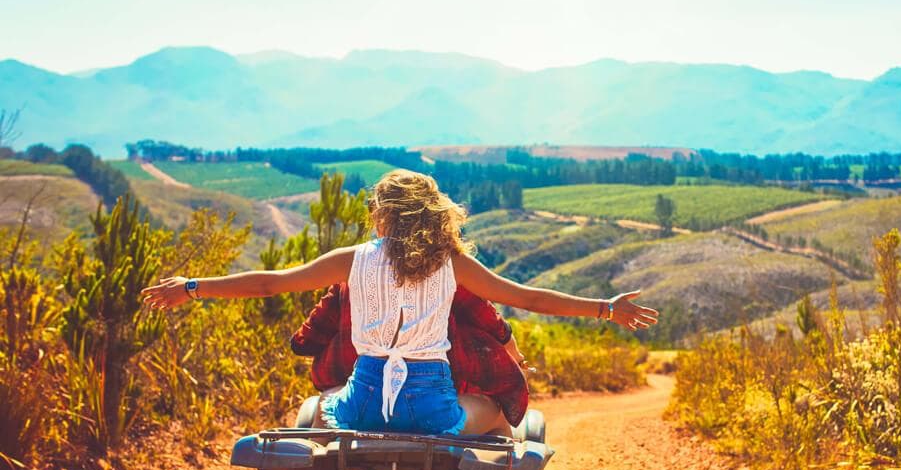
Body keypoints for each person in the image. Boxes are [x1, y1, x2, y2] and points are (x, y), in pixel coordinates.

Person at [141, 169, 658, 436]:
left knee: (315, 414)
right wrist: (605, 308)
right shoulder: (453, 264)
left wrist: (192, 286)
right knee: (501, 416)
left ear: (381, 214)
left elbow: (269, 284)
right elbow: (527, 298)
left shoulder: (351, 260)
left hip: (363, 401)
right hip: (430, 406)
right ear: (434, 214)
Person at [292, 281, 531, 428]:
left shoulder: (353, 271)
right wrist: (516, 360)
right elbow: (494, 326)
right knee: (498, 417)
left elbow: (306, 341)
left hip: (361, 402)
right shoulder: (451, 273)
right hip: (435, 407)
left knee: (322, 412)